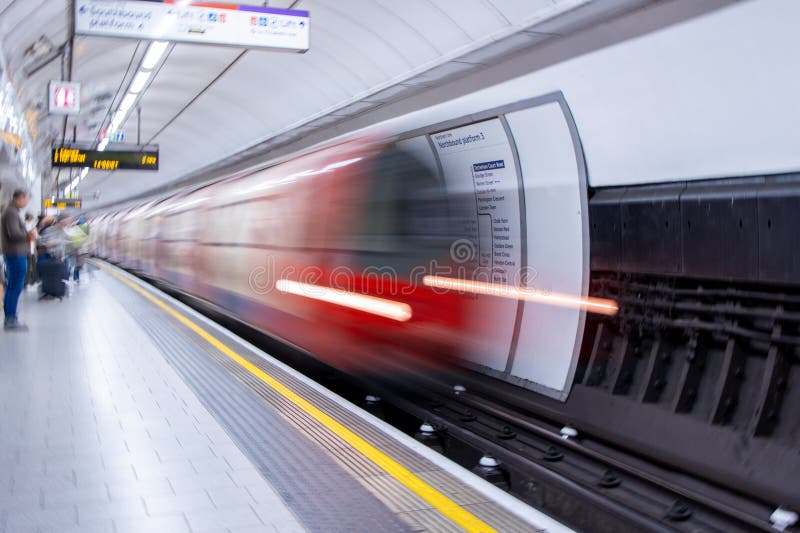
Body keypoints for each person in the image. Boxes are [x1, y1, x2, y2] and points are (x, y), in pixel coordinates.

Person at [1, 189, 37, 330]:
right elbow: (14, 234)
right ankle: (10, 319)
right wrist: (29, 234)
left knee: (12, 286)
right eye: (26, 199)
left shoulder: (12, 211)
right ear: (19, 198)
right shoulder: (11, 212)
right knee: (15, 286)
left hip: (14, 254)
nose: (27, 202)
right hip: (15, 254)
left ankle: (10, 318)